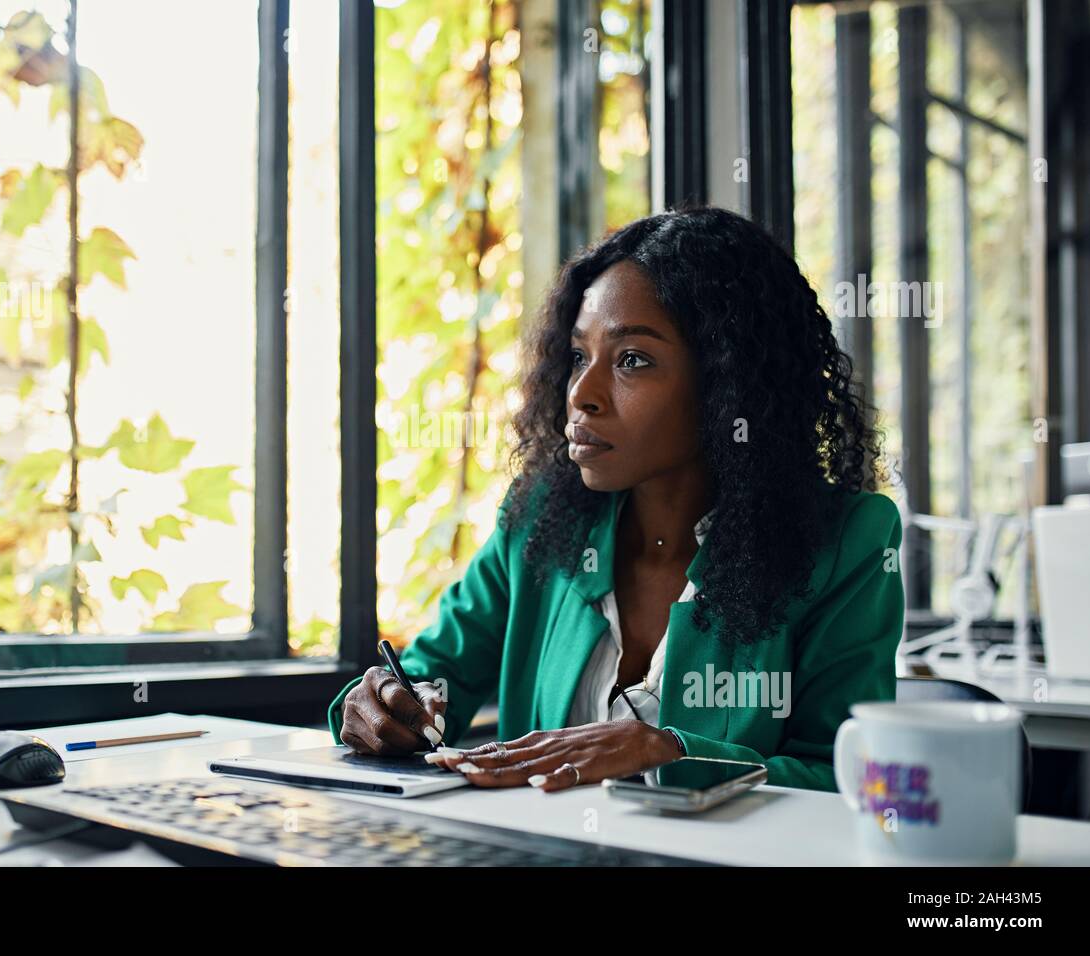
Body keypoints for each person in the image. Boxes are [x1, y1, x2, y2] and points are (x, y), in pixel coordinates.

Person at [328, 206, 904, 793]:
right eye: (580, 357)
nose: (582, 393)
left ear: (729, 383)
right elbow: (427, 678)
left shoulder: (847, 544)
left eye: (633, 359)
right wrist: (381, 706)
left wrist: (666, 752)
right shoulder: (538, 525)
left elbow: (849, 778)